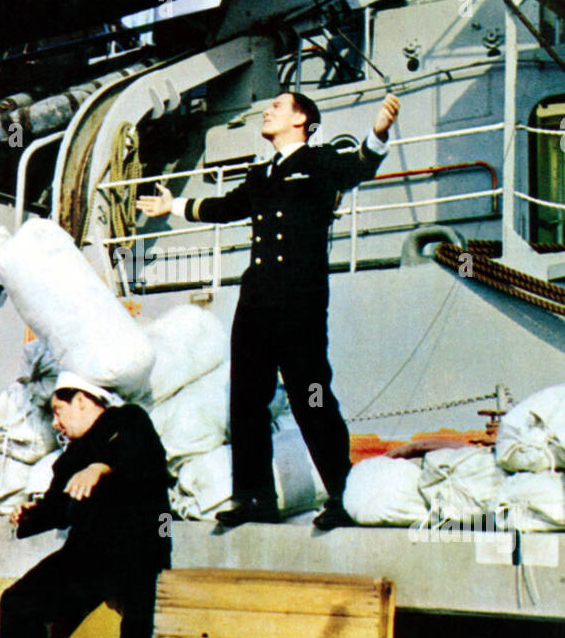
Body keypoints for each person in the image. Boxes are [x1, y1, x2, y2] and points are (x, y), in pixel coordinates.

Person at [137, 91, 399, 530]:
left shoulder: (318, 163)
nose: (267, 110)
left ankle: (342, 495)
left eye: (277, 106)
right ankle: (254, 496)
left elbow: (358, 169)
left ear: (301, 118)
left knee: (310, 393)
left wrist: (377, 134)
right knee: (246, 398)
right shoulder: (261, 174)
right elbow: (225, 208)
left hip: (300, 298)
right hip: (256, 299)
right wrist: (174, 206)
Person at [0, 371, 173, 638]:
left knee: (141, 625)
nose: (55, 423)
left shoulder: (130, 421)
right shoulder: (73, 453)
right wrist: (29, 515)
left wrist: (103, 467)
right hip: (87, 554)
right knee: (17, 603)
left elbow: (146, 462)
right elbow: (59, 505)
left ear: (83, 400)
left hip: (139, 547)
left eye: (59, 411)